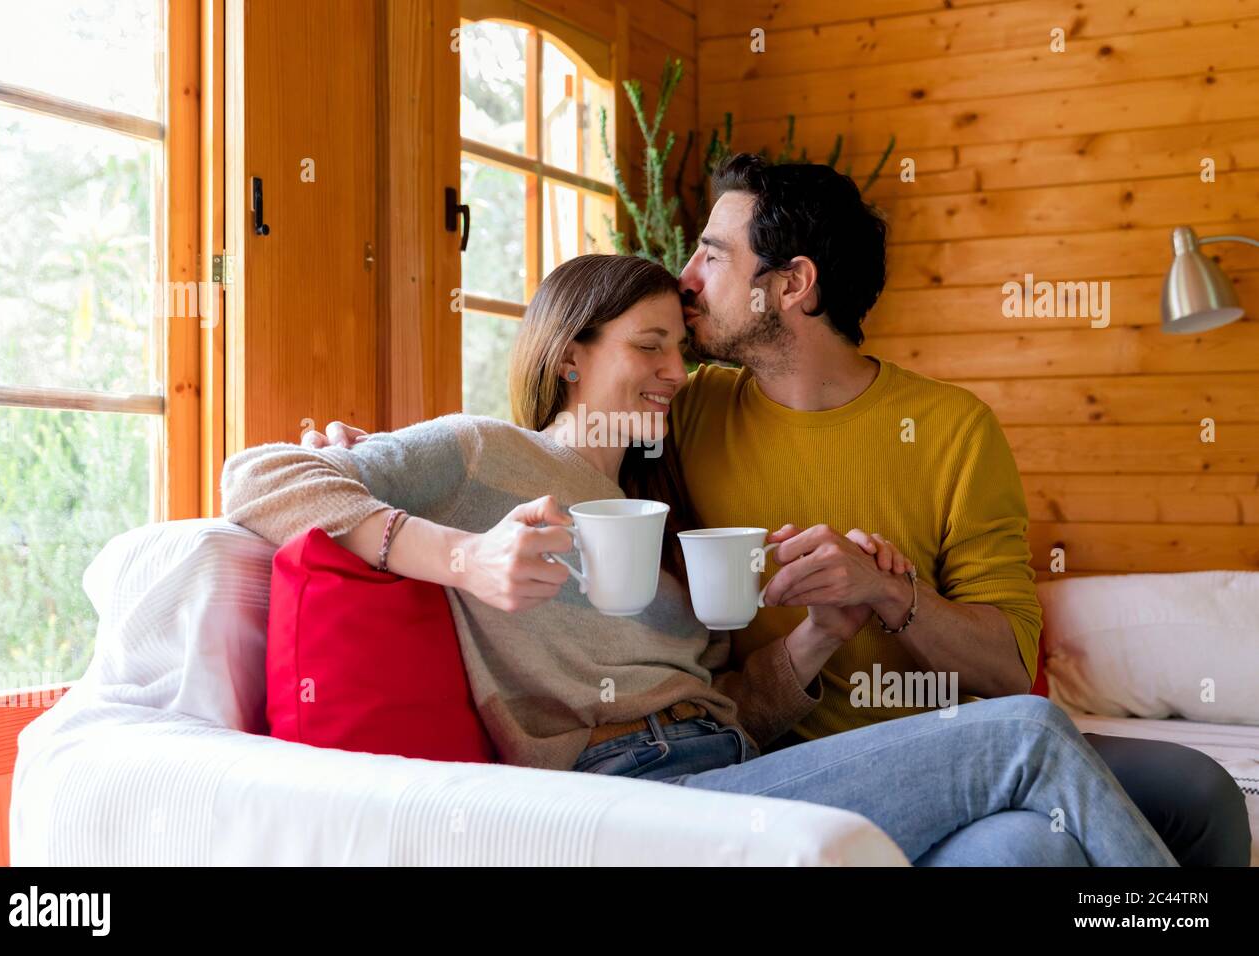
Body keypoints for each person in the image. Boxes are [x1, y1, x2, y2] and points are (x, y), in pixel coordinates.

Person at [223, 252, 1175, 866]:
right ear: (568, 355)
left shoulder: (661, 515)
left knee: (1025, 851)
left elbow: (735, 709)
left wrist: (822, 635)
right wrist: (464, 558)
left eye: (682, 348)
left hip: (729, 771)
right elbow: (259, 477)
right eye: (650, 346)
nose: (678, 374)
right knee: (1028, 729)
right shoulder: (483, 455)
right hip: (632, 801)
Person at [665, 152, 1249, 866]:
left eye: (711, 255)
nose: (684, 278)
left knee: (1048, 843)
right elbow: (560, 434)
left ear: (792, 284)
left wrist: (886, 590)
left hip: (942, 761)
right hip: (778, 776)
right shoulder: (684, 413)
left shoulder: (953, 429)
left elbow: (1007, 670)